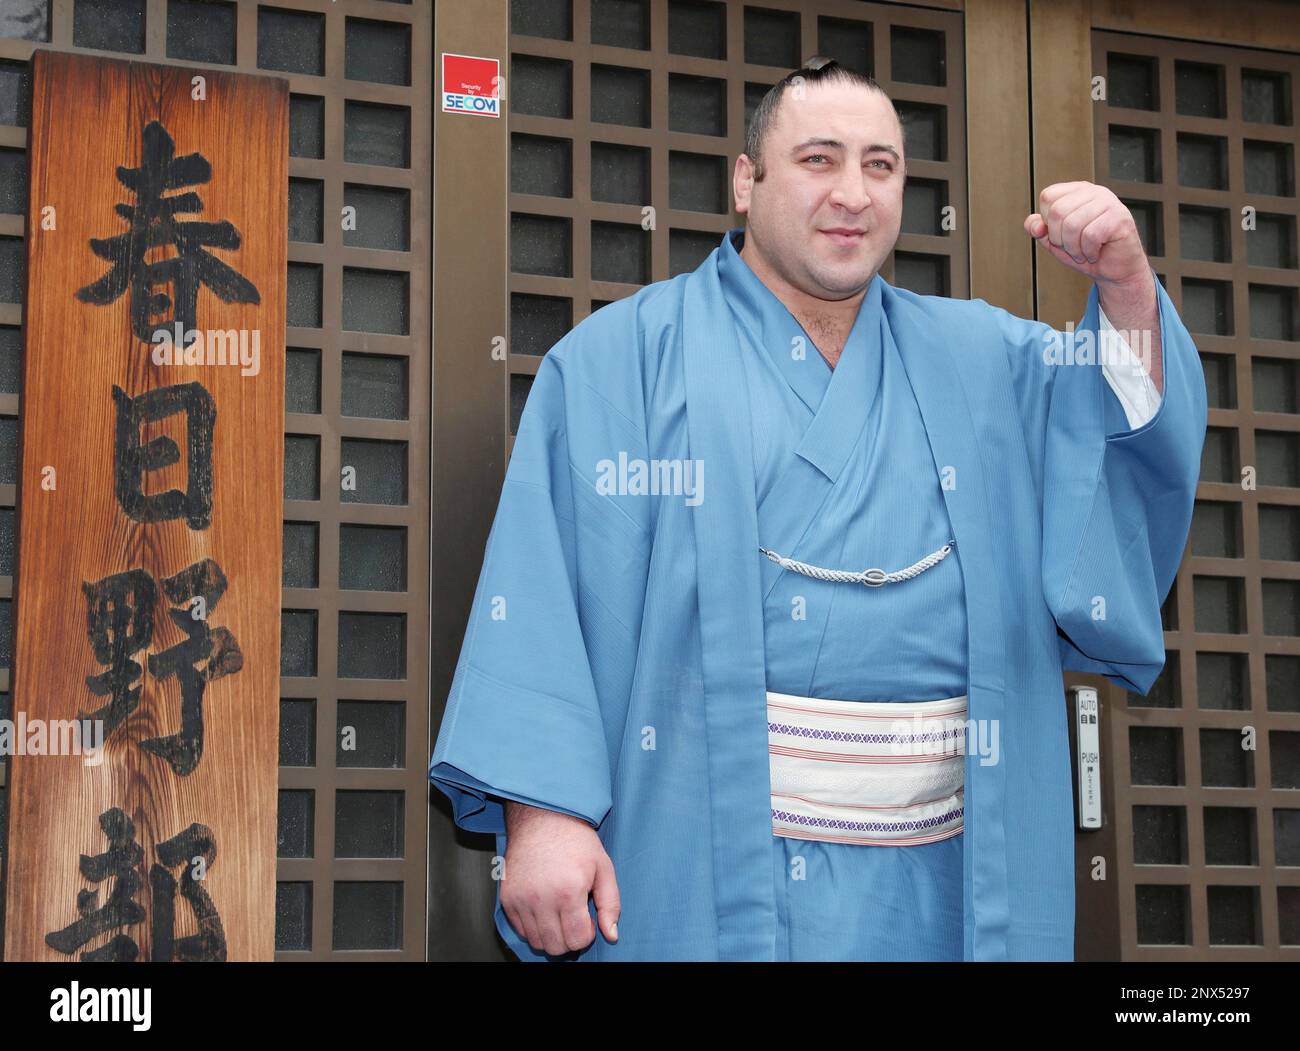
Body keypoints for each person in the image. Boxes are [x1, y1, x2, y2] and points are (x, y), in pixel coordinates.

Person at [428, 57, 1207, 962]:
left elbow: (1117, 436)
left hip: (952, 872)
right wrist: (544, 815)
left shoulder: (984, 358)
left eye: (882, 166)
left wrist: (1123, 288)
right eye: (819, 160)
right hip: (703, 849)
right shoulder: (621, 362)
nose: (854, 193)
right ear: (745, 182)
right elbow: (542, 593)